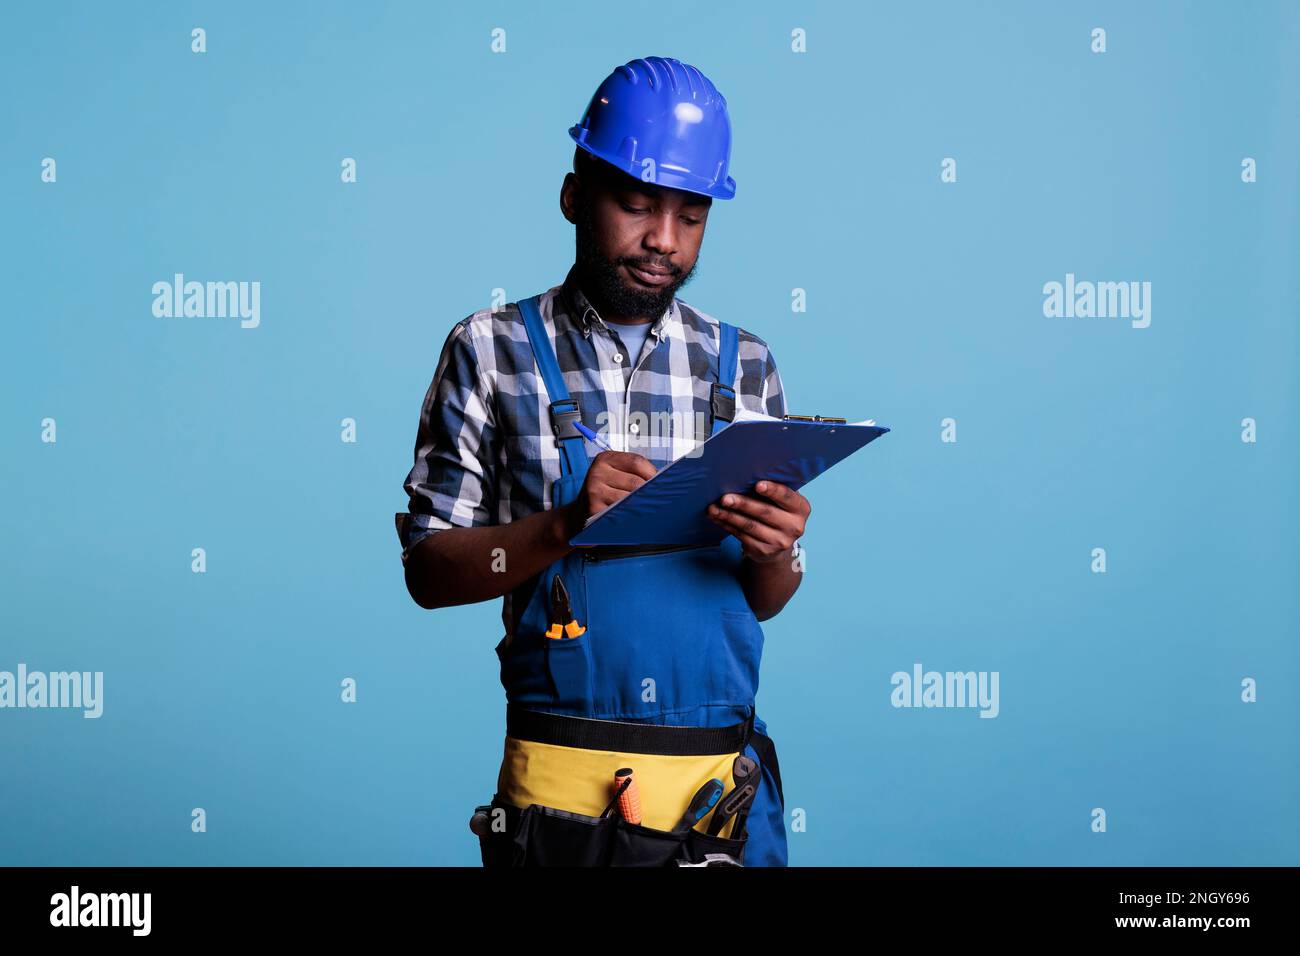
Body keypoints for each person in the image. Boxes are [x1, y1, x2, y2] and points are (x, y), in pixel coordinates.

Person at [395, 56, 811, 866]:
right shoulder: (490, 351)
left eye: (691, 216)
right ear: (574, 198)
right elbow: (428, 574)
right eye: (636, 205)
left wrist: (776, 552)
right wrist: (561, 526)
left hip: (716, 809)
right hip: (558, 812)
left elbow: (766, 600)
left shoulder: (746, 364)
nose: (664, 240)